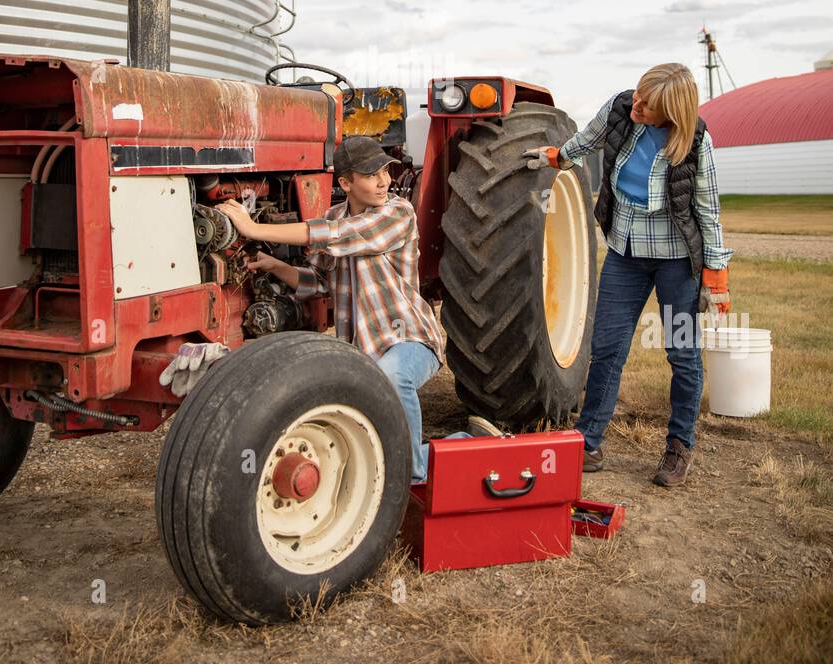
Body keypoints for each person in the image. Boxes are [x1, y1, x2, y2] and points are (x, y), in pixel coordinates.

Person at [216, 135, 501, 485]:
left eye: (385, 171)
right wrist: (275, 265)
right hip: (362, 350)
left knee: (393, 379)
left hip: (408, 338)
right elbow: (321, 281)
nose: (384, 181)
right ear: (346, 183)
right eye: (371, 175)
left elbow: (337, 235)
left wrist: (254, 227)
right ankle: (475, 446)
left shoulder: (397, 213)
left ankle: (412, 473)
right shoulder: (333, 216)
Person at [525, 62, 732, 488]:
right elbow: (588, 139)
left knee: (681, 353)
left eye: (647, 104)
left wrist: (716, 277)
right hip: (625, 254)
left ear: (672, 111)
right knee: (607, 349)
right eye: (637, 95)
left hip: (677, 263)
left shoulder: (695, 141)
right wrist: (557, 156)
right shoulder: (622, 108)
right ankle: (589, 441)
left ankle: (679, 446)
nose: (636, 105)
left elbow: (709, 212)